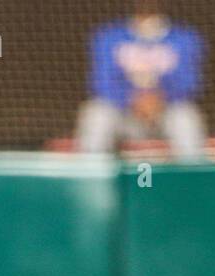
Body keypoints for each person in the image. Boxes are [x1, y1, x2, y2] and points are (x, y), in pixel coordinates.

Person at [75, 1, 206, 159]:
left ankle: (189, 179)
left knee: (186, 117)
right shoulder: (108, 36)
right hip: (124, 115)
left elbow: (189, 82)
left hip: (165, 114)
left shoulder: (185, 37)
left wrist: (160, 98)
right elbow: (101, 82)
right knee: (96, 113)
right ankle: (92, 179)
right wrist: (131, 99)